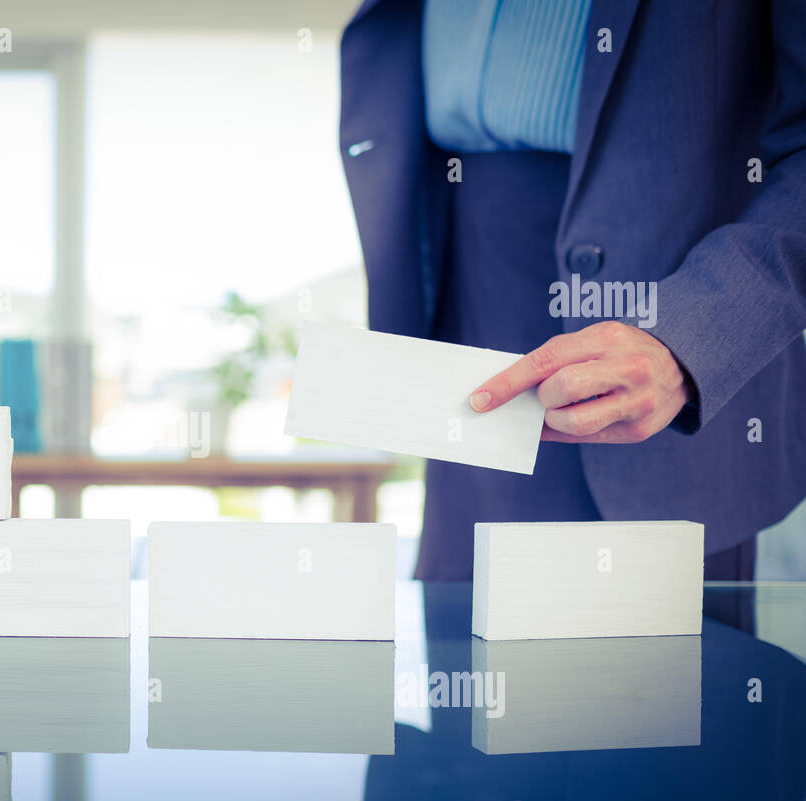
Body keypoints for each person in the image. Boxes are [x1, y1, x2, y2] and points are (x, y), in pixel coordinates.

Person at [339, 0, 806, 583]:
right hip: (466, 283)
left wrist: (690, 340)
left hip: (671, 304)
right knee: (464, 637)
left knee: (656, 666)